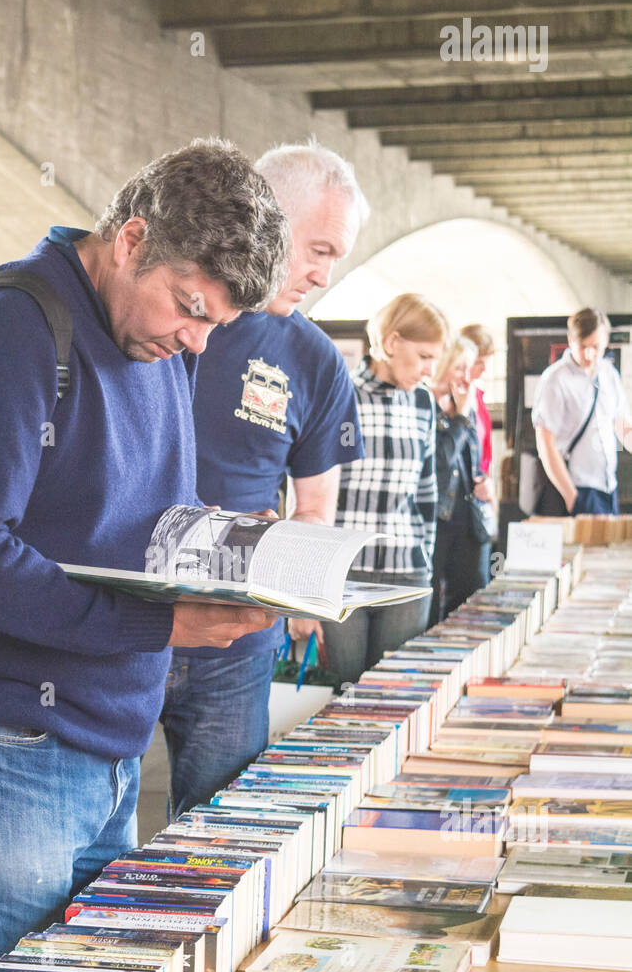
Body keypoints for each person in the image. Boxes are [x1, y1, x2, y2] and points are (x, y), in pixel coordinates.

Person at [0, 139, 291, 972]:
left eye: (215, 323)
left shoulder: (154, 350)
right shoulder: (7, 330)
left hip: (103, 739)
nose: (195, 341)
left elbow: (138, 515)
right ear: (131, 239)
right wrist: (160, 628)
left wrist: (236, 558)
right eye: (189, 308)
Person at [159, 141, 368, 818]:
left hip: (238, 638)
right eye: (320, 250)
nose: (323, 275)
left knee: (217, 828)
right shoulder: (162, 311)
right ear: (265, 216)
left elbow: (314, 509)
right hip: (120, 618)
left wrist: (299, 594)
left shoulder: (314, 361)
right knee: (91, 827)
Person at [323, 293, 450, 688]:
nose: (430, 370)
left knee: (396, 695)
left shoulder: (424, 404)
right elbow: (316, 488)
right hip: (342, 575)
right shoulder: (339, 396)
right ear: (392, 343)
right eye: (425, 356)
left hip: (407, 577)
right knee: (344, 695)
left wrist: (423, 558)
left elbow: (426, 492)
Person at [533, 307, 632, 516]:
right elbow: (545, 443)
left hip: (608, 486)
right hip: (576, 489)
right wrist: (571, 496)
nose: (589, 354)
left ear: (606, 341)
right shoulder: (555, 379)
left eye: (596, 347)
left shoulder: (609, 374)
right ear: (570, 340)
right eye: (583, 346)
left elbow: (622, 425)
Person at [429, 333, 496, 624]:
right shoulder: (423, 404)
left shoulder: (464, 403)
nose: (467, 378)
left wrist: (486, 484)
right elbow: (441, 461)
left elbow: (474, 460)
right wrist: (462, 417)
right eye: (460, 368)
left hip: (470, 518)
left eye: (470, 369)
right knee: (429, 609)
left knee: (472, 607)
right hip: (436, 519)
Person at [460, 322, 495, 478]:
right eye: (479, 362)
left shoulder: (477, 394)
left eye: (486, 362)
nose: (484, 369)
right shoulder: (451, 397)